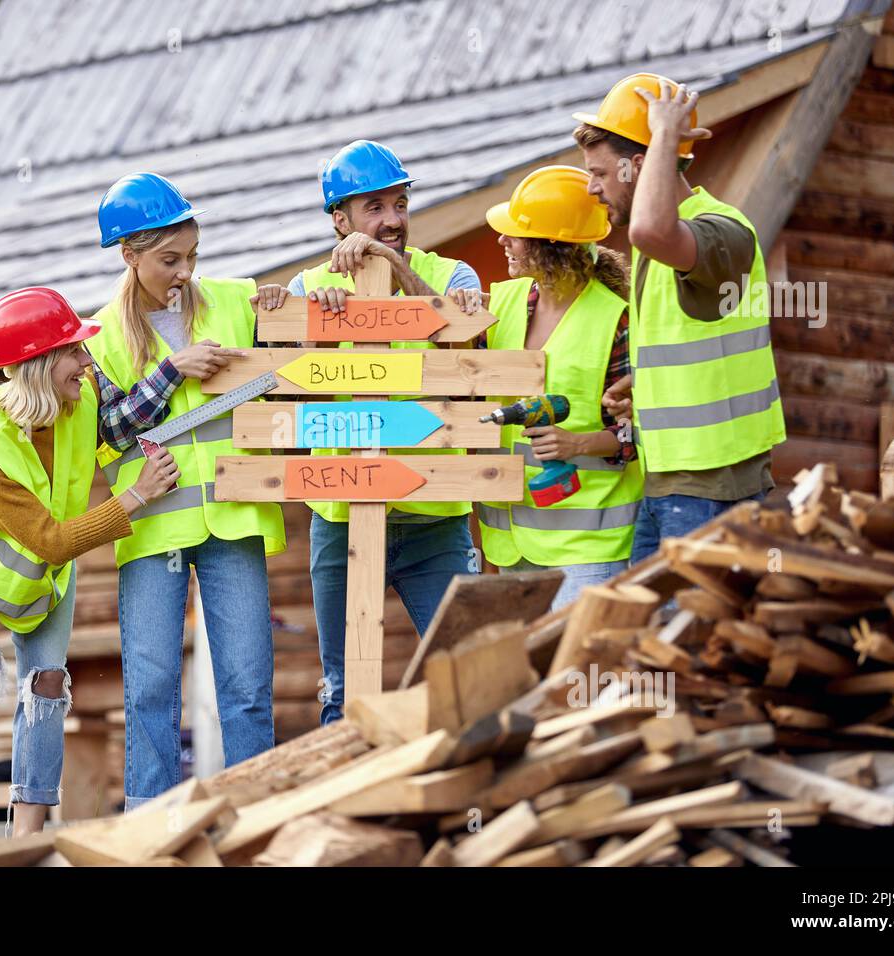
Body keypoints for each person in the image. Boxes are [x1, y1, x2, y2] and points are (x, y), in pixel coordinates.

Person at [0, 286, 177, 848]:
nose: (89, 363)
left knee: (48, 683)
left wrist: (176, 370)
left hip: (38, 580)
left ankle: (27, 838)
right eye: (75, 353)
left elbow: (123, 420)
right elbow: (53, 541)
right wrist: (137, 496)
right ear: (39, 365)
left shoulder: (78, 399)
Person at [254, 139, 483, 724]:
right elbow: (286, 391)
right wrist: (309, 327)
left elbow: (465, 345)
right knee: (342, 688)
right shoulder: (310, 287)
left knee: (466, 671)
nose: (393, 221)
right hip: (341, 516)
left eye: (399, 205)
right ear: (340, 220)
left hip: (437, 513)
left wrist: (396, 270)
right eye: (374, 208)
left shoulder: (451, 274)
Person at [86, 172, 286, 807]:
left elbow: (296, 351)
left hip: (235, 516)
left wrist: (300, 302)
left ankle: (254, 817)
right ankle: (152, 827)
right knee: (149, 690)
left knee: (248, 685)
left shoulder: (236, 300)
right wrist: (172, 369)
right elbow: (112, 433)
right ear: (129, 255)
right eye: (169, 259)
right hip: (153, 528)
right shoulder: (100, 337)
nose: (184, 271)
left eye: (192, 255)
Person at [573, 74, 785, 563]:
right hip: (672, 484)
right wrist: (643, 390)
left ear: (639, 166)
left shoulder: (721, 233)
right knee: (650, 634)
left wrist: (665, 137)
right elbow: (696, 350)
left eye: (601, 173)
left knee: (689, 636)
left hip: (711, 490)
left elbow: (649, 229)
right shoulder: (671, 241)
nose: (591, 188)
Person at [454, 166, 643, 609]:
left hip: (588, 548)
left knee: (576, 675)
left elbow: (644, 431)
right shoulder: (502, 303)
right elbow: (436, 341)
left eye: (514, 234)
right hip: (509, 545)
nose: (501, 241)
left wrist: (578, 442)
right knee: (528, 676)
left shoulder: (617, 319)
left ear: (549, 247)